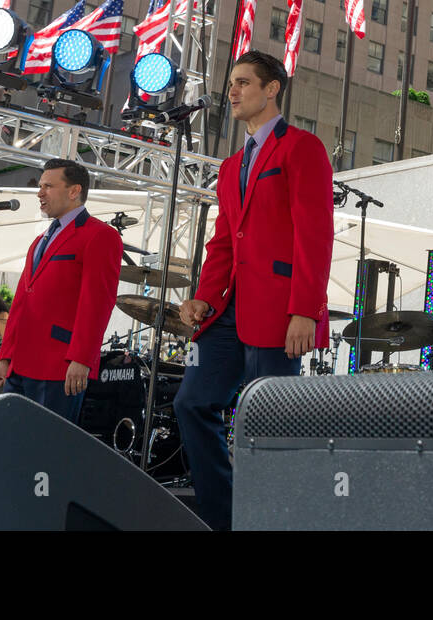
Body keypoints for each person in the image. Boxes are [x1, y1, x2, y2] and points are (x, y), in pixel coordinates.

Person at [174, 50, 334, 530]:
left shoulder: (302, 147)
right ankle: (226, 517)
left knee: (270, 423)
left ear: (272, 89)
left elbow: (315, 232)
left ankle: (278, 519)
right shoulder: (229, 167)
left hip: (281, 312)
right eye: (232, 84)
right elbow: (225, 238)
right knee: (191, 403)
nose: (234, 91)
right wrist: (204, 293)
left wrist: (304, 309)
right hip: (226, 311)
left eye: (244, 82)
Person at [0, 159, 122, 423]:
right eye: (40, 186)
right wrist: (5, 357)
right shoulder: (40, 241)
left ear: (74, 191)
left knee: (47, 451)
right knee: (11, 445)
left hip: (59, 365)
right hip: (19, 367)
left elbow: (97, 303)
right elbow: (19, 305)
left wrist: (82, 359)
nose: (40, 192)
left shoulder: (100, 235)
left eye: (48, 186)